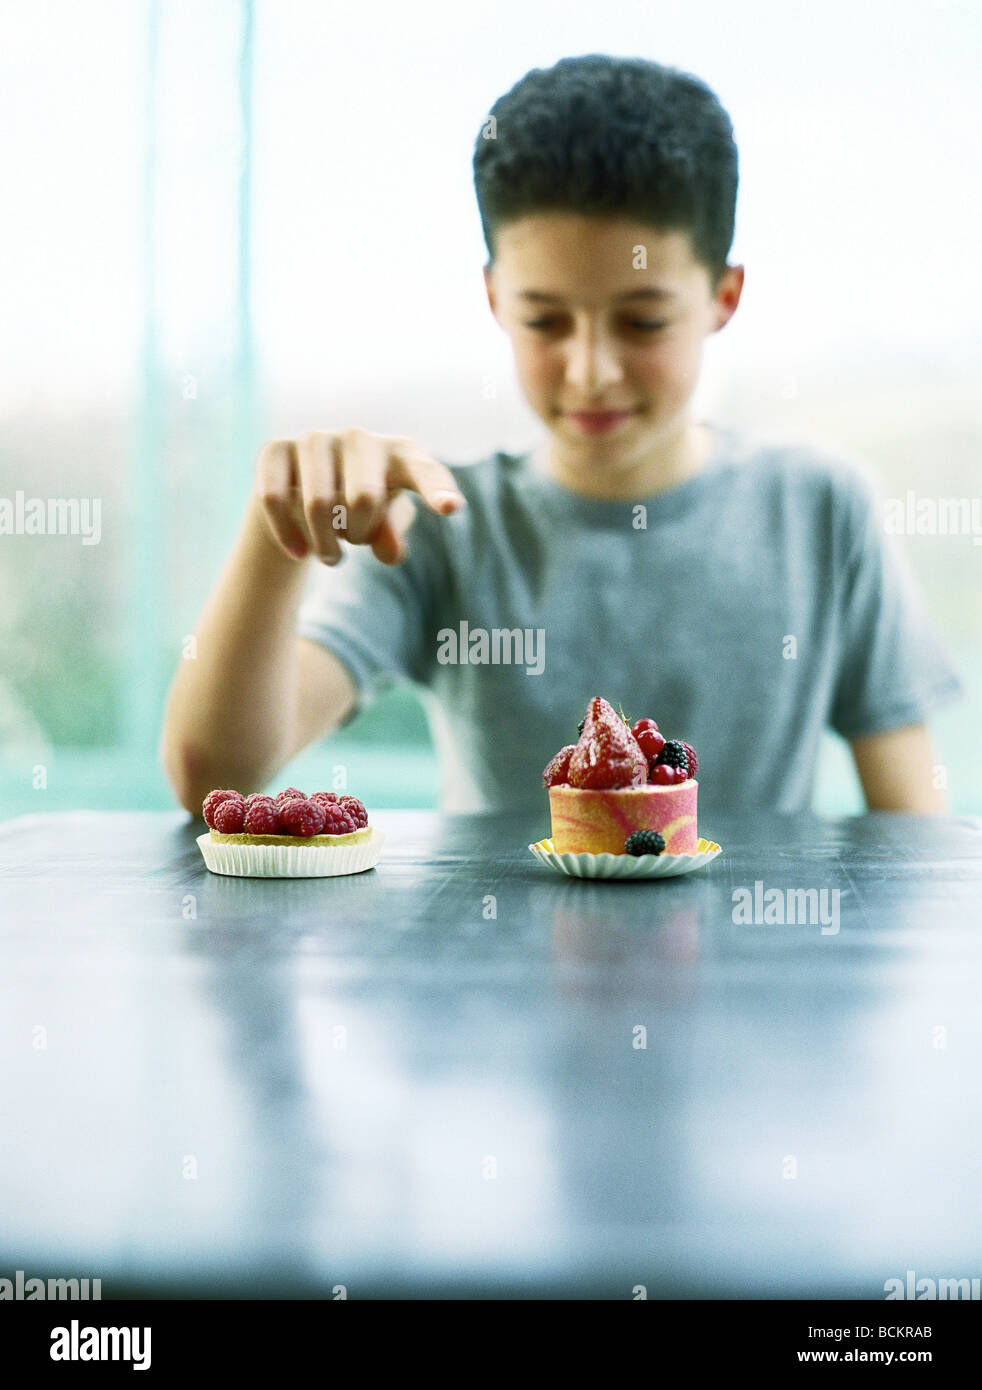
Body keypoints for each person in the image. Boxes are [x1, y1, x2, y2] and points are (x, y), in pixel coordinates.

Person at [161, 54, 962, 818]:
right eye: (545, 320)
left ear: (723, 296)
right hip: (499, 962)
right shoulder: (444, 523)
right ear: (493, 299)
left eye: (642, 320)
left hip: (753, 963)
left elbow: (912, 826)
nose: (590, 371)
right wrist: (281, 542)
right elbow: (216, 775)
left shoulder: (819, 509)